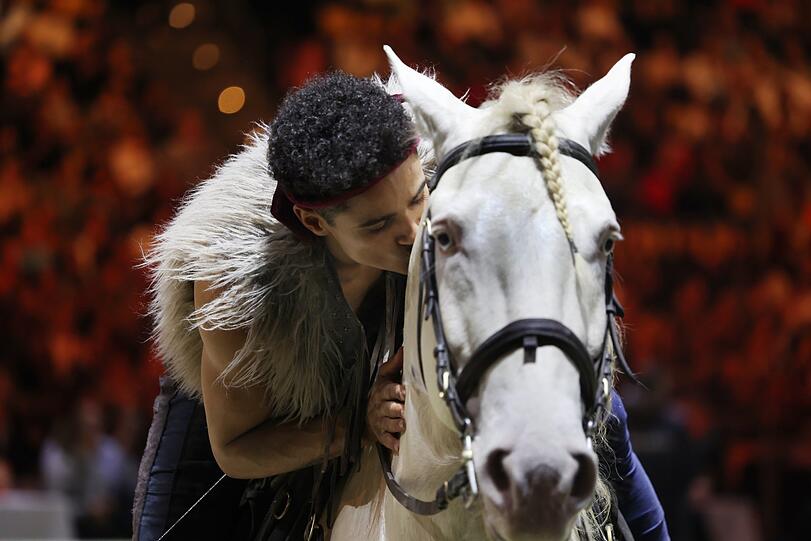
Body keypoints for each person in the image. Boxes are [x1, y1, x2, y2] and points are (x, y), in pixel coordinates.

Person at [132, 72, 669, 540]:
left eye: (417, 199)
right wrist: (354, 427)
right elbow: (235, 451)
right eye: (377, 224)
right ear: (317, 224)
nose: (415, 232)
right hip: (255, 421)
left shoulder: (446, 165)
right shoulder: (233, 285)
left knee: (592, 404)